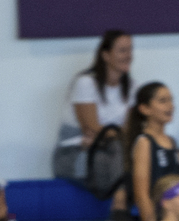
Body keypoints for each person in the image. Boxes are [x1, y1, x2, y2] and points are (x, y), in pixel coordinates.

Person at [56, 30, 133, 194]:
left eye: (130, 50)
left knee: (140, 158)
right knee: (118, 160)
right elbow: (91, 129)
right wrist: (117, 136)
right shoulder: (86, 82)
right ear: (105, 55)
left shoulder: (132, 86)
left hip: (110, 151)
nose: (128, 55)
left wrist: (115, 137)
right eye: (122, 50)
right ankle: (120, 204)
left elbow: (130, 130)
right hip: (75, 153)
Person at [125, 83, 178, 221]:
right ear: (145, 109)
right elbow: (142, 194)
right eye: (163, 101)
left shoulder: (172, 142)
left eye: (171, 100)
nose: (170, 106)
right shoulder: (144, 142)